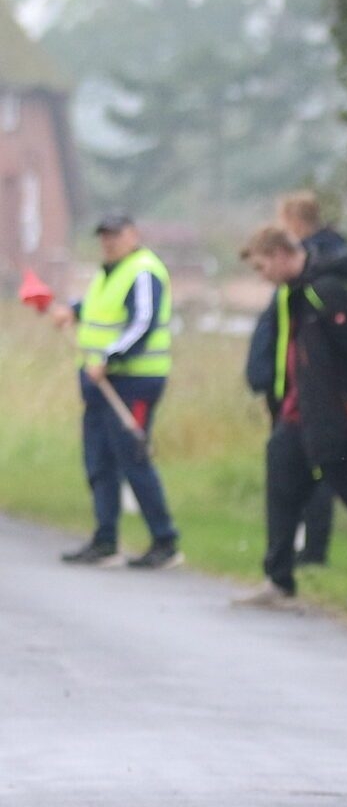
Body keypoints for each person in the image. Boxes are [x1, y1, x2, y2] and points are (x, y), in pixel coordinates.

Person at [232, 225, 347, 609]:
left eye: (263, 267)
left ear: (280, 255)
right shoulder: (291, 295)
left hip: (332, 417)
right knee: (281, 486)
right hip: (299, 415)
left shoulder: (325, 291)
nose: (262, 276)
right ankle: (278, 579)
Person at [53, 212, 182, 568]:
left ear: (132, 235)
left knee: (133, 457)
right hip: (98, 382)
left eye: (115, 235)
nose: (108, 242)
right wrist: (73, 311)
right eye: (104, 236)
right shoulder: (107, 271)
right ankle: (105, 538)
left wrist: (110, 357)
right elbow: (100, 309)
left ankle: (165, 540)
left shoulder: (143, 270)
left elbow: (142, 323)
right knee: (99, 459)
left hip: (133, 381)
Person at [245, 191, 347, 568]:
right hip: (287, 384)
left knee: (316, 470)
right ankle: (285, 561)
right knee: (291, 467)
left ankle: (307, 553)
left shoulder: (312, 270)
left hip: (308, 390)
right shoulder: (305, 269)